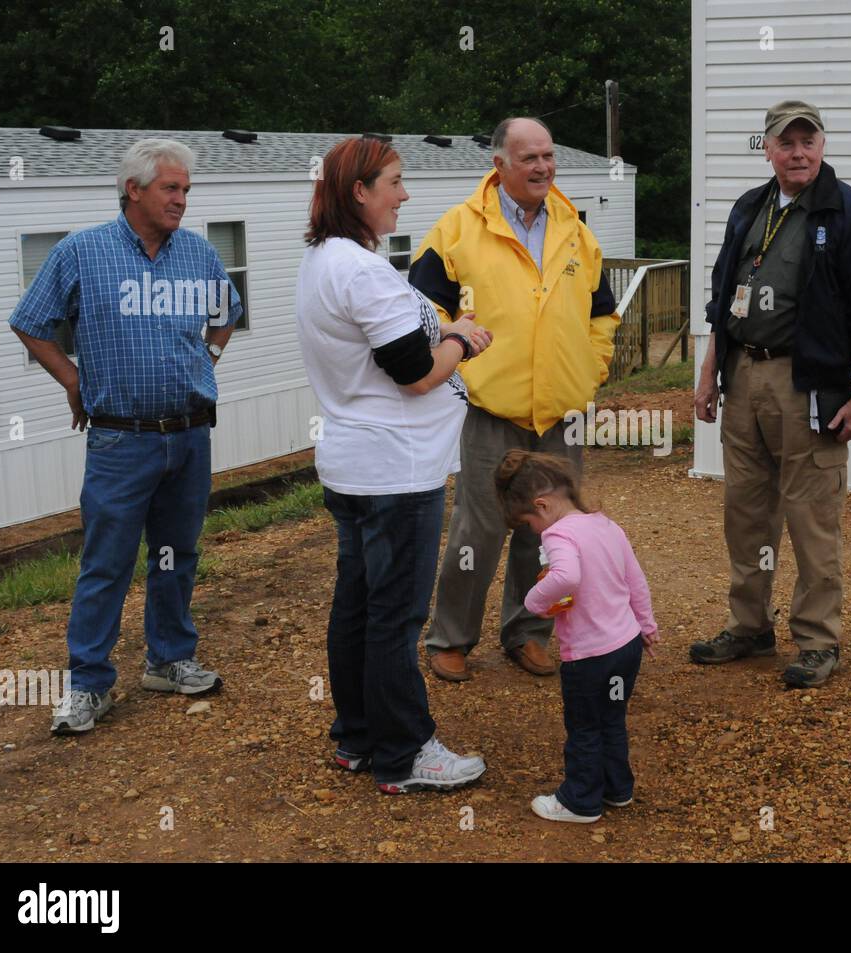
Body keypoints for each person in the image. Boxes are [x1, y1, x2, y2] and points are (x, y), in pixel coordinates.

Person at [9, 138, 240, 735]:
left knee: (177, 555)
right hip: (120, 441)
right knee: (106, 564)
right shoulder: (82, 252)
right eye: (171, 188)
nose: (181, 200)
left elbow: (226, 312)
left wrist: (206, 360)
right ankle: (88, 683)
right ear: (133, 190)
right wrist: (72, 379)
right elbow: (30, 321)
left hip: (188, 436)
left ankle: (168, 659)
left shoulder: (198, 255)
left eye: (186, 189)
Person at [295, 136, 492, 794]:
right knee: (397, 615)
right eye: (396, 182)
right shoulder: (360, 270)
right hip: (396, 472)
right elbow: (412, 373)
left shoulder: (322, 260)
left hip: (355, 464)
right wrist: (461, 337)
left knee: (357, 603)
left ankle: (358, 736)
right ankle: (406, 753)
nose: (404, 195)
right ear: (359, 191)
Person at [691, 100, 851, 688]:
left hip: (808, 383)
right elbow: (723, 296)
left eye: (809, 141)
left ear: (823, 146)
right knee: (746, 513)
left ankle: (817, 640)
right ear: (769, 149)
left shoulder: (850, 213)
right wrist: (710, 374)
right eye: (787, 142)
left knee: (812, 518)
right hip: (744, 376)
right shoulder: (749, 207)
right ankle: (749, 624)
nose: (798, 151)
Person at [409, 116, 621, 682]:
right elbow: (421, 306)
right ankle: (451, 637)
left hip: (562, 412)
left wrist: (590, 369)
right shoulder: (457, 229)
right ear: (499, 164)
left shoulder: (575, 230)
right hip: (490, 408)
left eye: (549, 157)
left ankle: (527, 632)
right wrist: (458, 358)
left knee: (549, 531)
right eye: (529, 158)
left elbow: (603, 313)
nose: (543, 168)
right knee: (477, 529)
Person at [494, 450, 658, 823]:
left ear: (542, 505)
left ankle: (580, 801)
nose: (533, 529)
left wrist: (533, 601)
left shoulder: (558, 534)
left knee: (584, 726)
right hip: (627, 645)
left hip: (590, 656)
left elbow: (566, 577)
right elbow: (636, 581)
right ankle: (617, 789)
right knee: (611, 720)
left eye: (528, 521)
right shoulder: (606, 525)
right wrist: (646, 626)